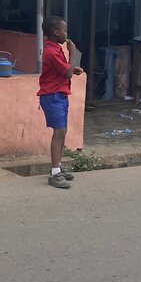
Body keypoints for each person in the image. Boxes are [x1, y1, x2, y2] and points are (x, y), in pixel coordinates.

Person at [38, 16, 84, 189]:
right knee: (59, 132)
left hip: (60, 94)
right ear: (56, 33)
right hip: (52, 96)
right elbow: (66, 74)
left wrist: (72, 68)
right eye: (64, 30)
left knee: (62, 132)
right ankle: (55, 172)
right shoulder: (51, 51)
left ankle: (57, 167)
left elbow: (64, 70)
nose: (67, 34)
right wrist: (72, 53)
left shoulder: (55, 49)